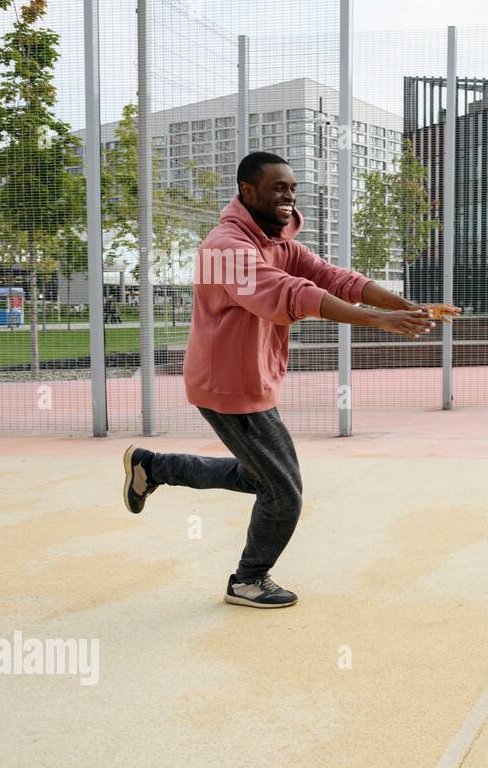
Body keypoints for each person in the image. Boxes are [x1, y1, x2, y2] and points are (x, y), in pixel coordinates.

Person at [122, 151, 460, 608]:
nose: (289, 196)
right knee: (284, 493)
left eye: (292, 188)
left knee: (259, 477)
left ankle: (153, 467)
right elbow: (290, 293)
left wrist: (404, 307)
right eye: (279, 187)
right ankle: (247, 579)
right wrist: (377, 321)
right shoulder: (225, 248)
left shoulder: (277, 243)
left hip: (251, 378)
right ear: (248, 191)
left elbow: (334, 278)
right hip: (228, 386)